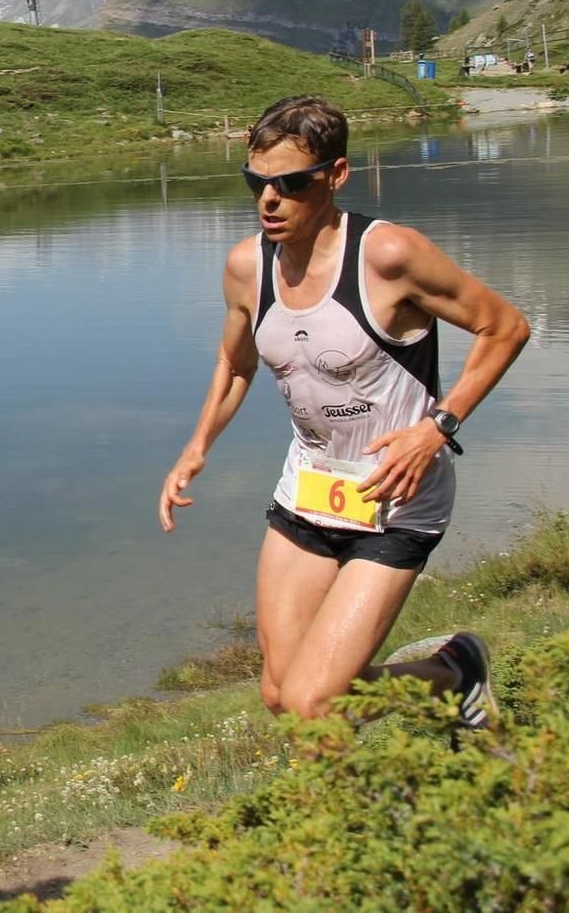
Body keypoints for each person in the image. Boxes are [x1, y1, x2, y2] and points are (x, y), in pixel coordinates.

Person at [158, 95, 530, 728]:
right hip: (310, 488)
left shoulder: (388, 256)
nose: (270, 200)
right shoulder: (248, 268)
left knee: (315, 703)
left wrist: (436, 428)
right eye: (257, 183)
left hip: (396, 498)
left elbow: (505, 327)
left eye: (291, 184)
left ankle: (448, 681)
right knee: (280, 695)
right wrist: (196, 449)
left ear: (335, 176)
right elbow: (236, 362)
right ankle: (452, 678)